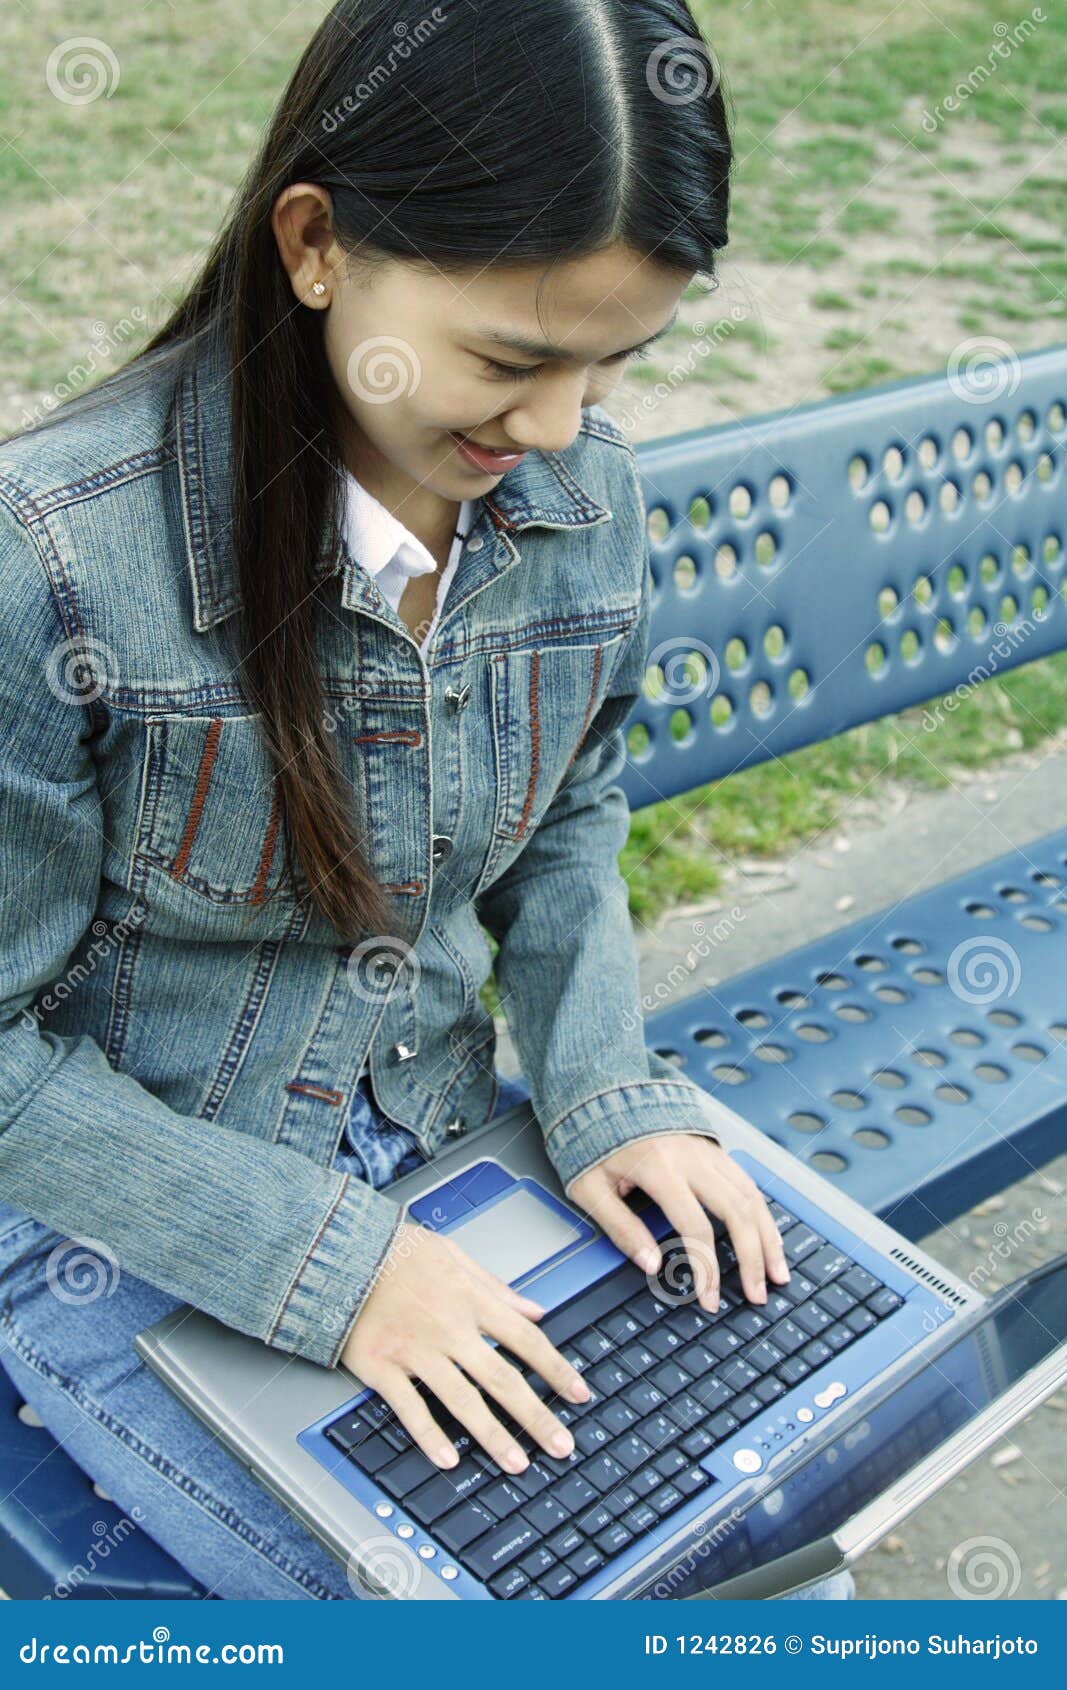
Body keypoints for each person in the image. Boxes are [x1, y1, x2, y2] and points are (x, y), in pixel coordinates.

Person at [0, 0, 853, 1601]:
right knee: (480, 1608)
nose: (562, 431)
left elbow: (573, 809)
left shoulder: (579, 499)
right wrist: (337, 1266)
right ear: (316, 245)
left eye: (618, 359)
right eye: (513, 359)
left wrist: (603, 1085)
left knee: (764, 1511)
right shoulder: (54, 558)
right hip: (127, 1221)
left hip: (453, 1148)